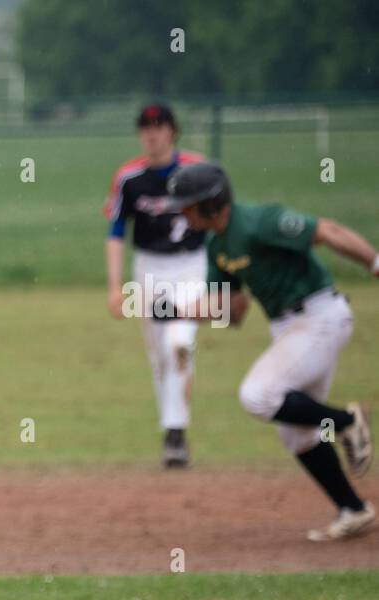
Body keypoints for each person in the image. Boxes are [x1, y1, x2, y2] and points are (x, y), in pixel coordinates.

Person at [164, 161, 375, 541]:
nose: (181, 213)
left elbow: (327, 231)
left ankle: (347, 421)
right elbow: (235, 310)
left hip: (320, 316)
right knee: (297, 436)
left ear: (212, 204)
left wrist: (375, 263)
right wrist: (176, 310)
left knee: (258, 395)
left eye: (188, 205)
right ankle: (354, 509)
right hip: (292, 328)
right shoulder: (217, 245)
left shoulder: (259, 222)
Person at [103, 103, 207, 467]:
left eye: (159, 126)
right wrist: (115, 287)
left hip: (192, 267)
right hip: (149, 271)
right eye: (145, 127)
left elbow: (221, 219)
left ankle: (176, 430)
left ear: (173, 131)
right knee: (160, 353)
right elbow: (116, 232)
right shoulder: (130, 178)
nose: (152, 133)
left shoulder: (196, 170)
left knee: (181, 341)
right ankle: (173, 434)